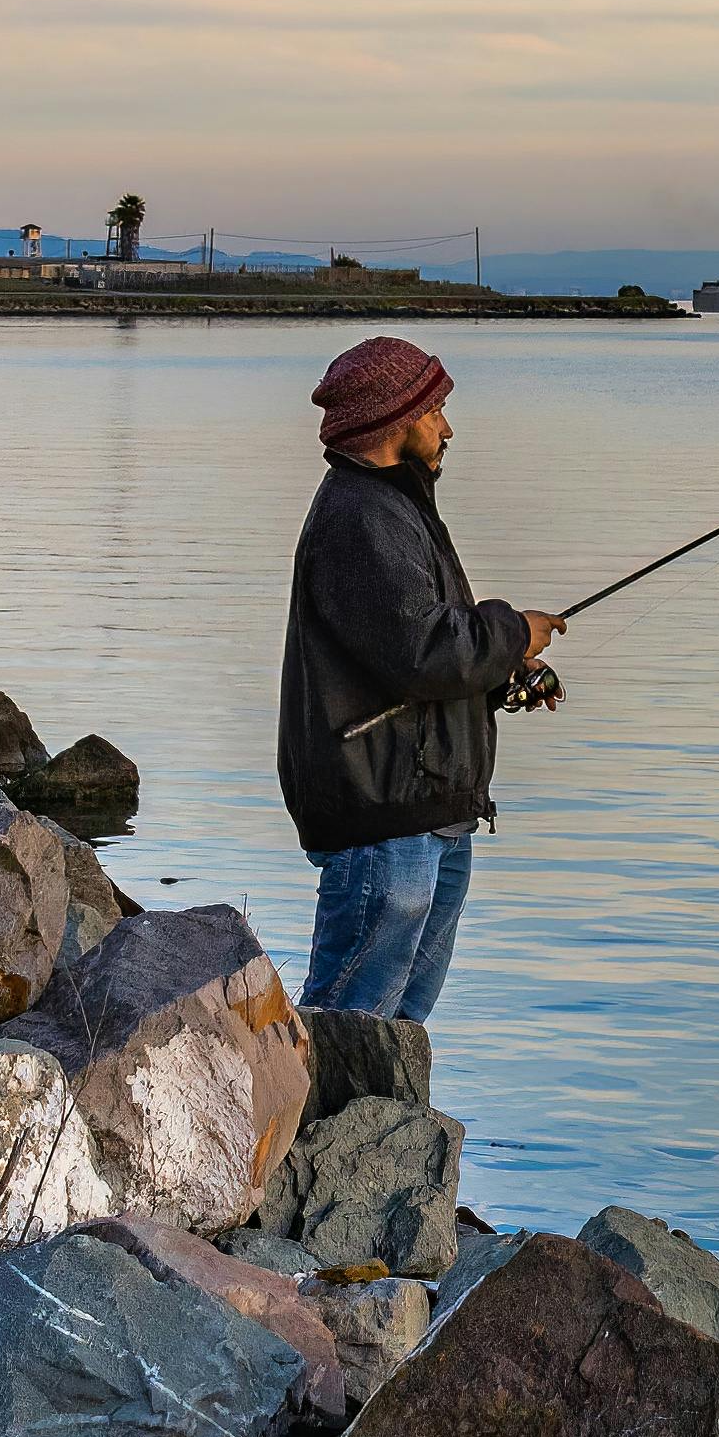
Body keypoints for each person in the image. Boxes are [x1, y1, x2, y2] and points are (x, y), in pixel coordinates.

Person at [282, 336, 555, 1025]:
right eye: (435, 412)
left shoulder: (396, 507)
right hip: (382, 812)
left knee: (398, 1030)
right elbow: (422, 651)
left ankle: (388, 1133)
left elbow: (416, 645)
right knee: (350, 1021)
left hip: (429, 807)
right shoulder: (359, 517)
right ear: (395, 419)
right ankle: (315, 1132)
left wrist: (504, 671)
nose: (447, 428)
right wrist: (513, 630)